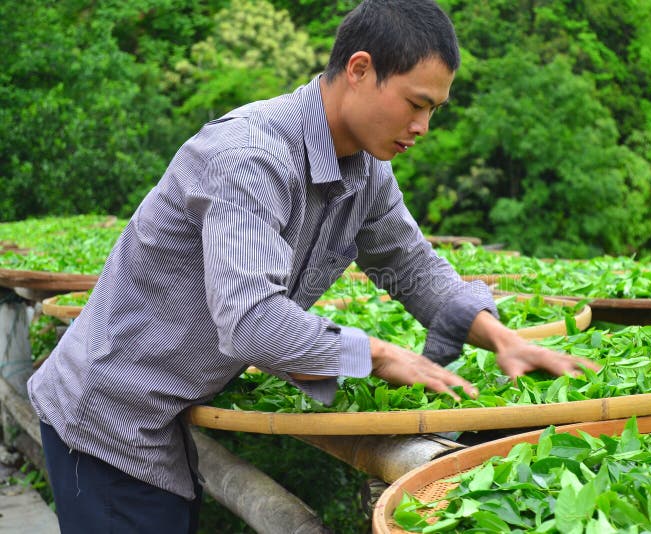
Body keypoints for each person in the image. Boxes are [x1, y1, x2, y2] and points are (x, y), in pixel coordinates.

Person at [27, 0, 598, 531]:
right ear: (359, 69)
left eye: (434, 110)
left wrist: (500, 337)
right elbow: (251, 319)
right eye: (416, 104)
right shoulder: (250, 156)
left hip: (163, 415)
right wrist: (378, 354)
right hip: (109, 415)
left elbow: (411, 264)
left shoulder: (367, 172)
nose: (423, 127)